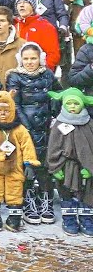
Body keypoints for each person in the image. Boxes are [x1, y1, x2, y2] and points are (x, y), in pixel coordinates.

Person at [7, 41, 58, 226]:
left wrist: (54, 115)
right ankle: (28, 201)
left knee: (45, 166)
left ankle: (46, 200)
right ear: (21, 59)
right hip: (25, 128)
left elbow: (56, 95)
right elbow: (15, 104)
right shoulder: (14, 77)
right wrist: (26, 126)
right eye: (26, 58)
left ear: (40, 59)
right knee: (27, 165)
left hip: (46, 127)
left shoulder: (48, 75)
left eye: (33, 58)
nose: (30, 62)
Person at [0, 91, 41, 232]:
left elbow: (27, 146)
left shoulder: (19, 129)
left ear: (12, 109)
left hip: (14, 168)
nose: (3, 113)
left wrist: (29, 163)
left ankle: (14, 217)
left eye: (6, 110)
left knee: (15, 191)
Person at [46, 87, 93, 236]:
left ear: (82, 104)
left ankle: (86, 219)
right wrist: (56, 167)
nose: (72, 107)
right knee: (66, 192)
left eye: (76, 104)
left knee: (87, 192)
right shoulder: (59, 124)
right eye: (69, 104)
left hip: (84, 167)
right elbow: (53, 146)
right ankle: (69, 218)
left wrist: (90, 166)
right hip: (65, 166)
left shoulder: (89, 123)